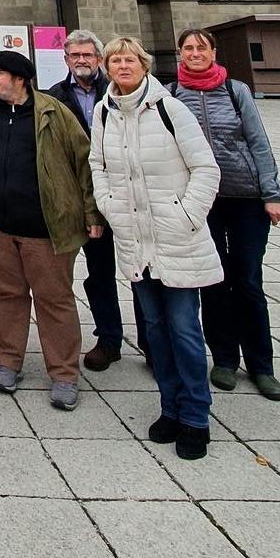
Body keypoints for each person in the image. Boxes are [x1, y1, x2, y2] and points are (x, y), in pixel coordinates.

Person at [0, 49, 101, 411]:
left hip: (43, 227)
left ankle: (63, 372)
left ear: (20, 79)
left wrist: (92, 212)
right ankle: (8, 360)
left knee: (54, 298)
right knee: (5, 293)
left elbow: (84, 163)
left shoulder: (54, 113)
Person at [89, 35, 222, 461]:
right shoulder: (104, 112)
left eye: (129, 60)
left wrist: (186, 215)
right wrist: (110, 207)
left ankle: (196, 417)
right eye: (115, 61)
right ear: (107, 68)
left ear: (143, 64)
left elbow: (206, 168)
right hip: (135, 239)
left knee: (184, 329)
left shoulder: (170, 108)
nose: (122, 66)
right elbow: (98, 166)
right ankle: (170, 408)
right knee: (156, 331)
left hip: (175, 237)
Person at [170, 28, 280, 401]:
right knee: (213, 279)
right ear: (179, 54)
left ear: (213, 52)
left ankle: (261, 365)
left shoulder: (236, 91)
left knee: (249, 280)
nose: (195, 53)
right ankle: (223, 358)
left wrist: (272, 194)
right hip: (202, 200)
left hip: (245, 196)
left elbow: (258, 142)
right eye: (189, 48)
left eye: (201, 48)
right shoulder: (172, 94)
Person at [47, 29, 151, 373]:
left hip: (129, 196)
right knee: (99, 274)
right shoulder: (55, 97)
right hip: (84, 201)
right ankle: (109, 340)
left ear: (99, 60)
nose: (81, 61)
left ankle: (151, 342)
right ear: (66, 60)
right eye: (75, 56)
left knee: (142, 271)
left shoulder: (122, 94)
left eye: (88, 55)